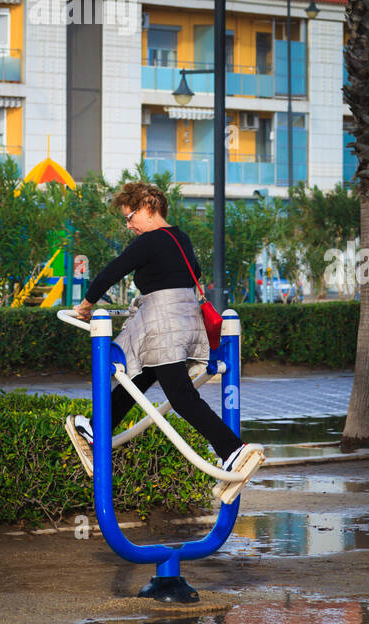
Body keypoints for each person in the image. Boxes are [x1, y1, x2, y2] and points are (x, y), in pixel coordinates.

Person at [64, 181, 262, 500]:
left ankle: (232, 450)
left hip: (162, 324)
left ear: (148, 207)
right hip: (186, 321)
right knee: (140, 375)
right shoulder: (181, 238)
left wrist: (86, 305)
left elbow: (112, 271)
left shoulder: (150, 240)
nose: (128, 225)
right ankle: (96, 428)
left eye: (130, 217)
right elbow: (194, 271)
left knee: (181, 396)